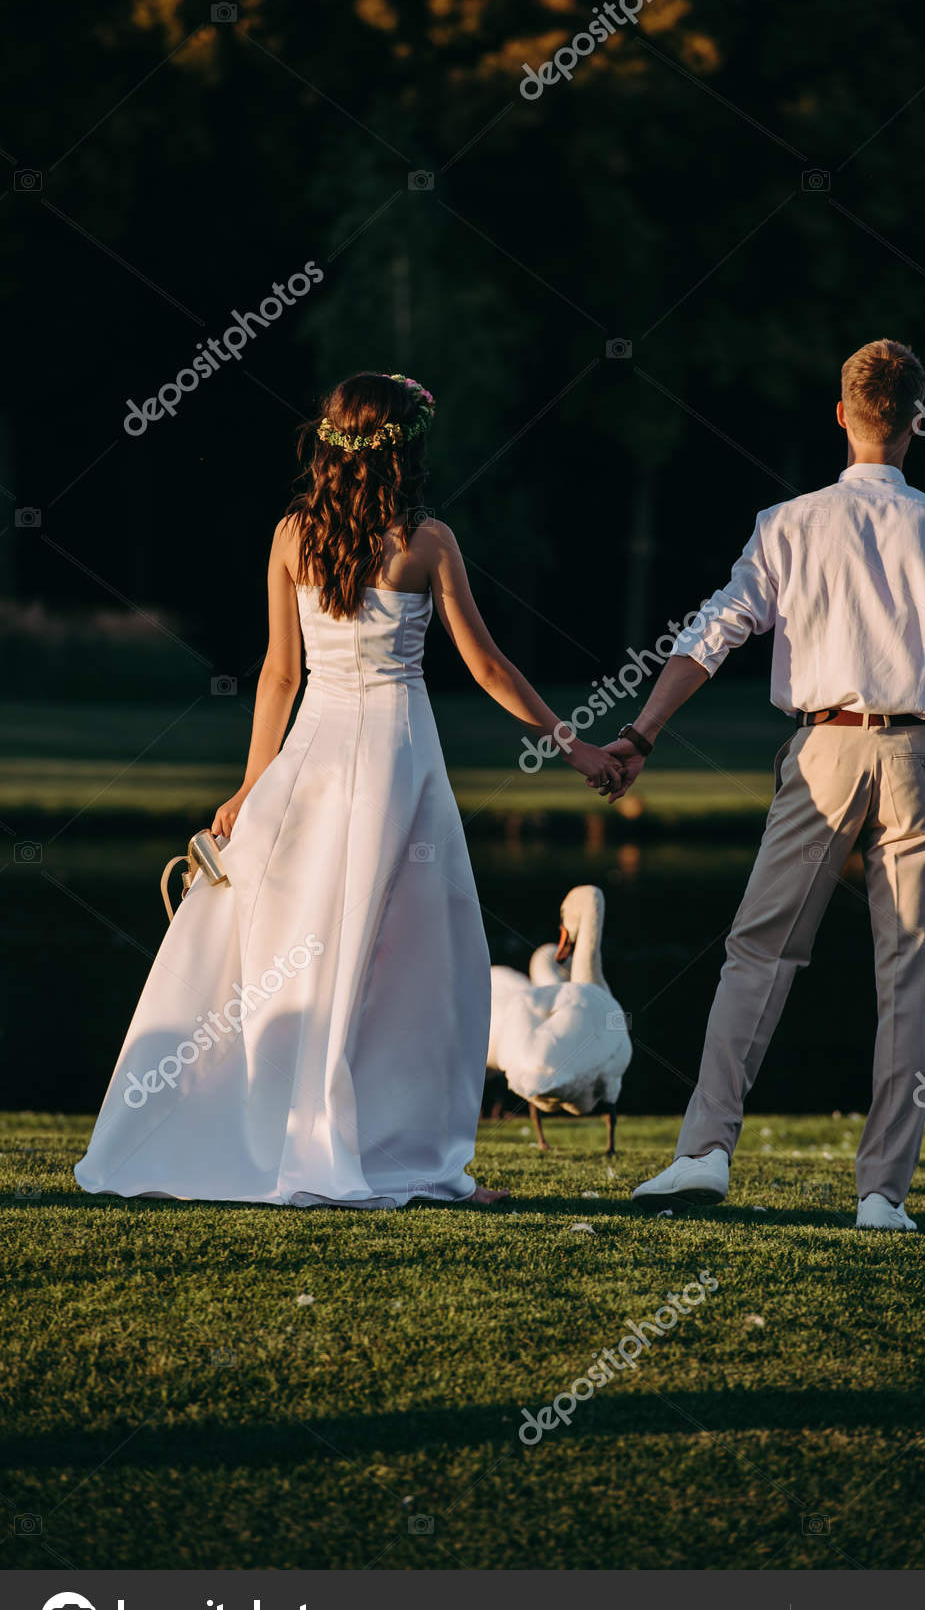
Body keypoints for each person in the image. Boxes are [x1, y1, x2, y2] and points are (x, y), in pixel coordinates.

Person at [75, 372, 622, 1209]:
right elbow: (487, 668)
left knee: (301, 956)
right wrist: (575, 746)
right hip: (399, 764)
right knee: (415, 968)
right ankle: (407, 1155)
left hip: (314, 764)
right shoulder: (428, 541)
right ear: (406, 448)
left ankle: (306, 1138)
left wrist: (255, 789)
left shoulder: (294, 534)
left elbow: (278, 677)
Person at [597, 339, 925, 1230]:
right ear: (917, 419)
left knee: (761, 952)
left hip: (822, 753)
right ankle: (881, 1196)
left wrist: (641, 733)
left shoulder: (787, 522)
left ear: (841, 415)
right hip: (919, 756)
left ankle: (706, 1151)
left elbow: (716, 631)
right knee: (910, 973)